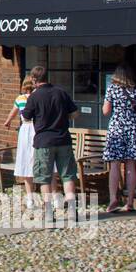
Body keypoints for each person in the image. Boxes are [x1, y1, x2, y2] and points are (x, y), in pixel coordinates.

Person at [20, 66, 81, 216]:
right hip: (63, 140)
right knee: (68, 176)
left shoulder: (34, 96)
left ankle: (48, 213)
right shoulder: (61, 92)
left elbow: (25, 117)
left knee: (44, 178)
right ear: (48, 77)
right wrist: (62, 117)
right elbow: (75, 114)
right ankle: (72, 211)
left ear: (34, 79)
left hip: (44, 142)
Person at [102, 64, 136, 212]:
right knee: (131, 165)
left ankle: (113, 199)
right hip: (133, 126)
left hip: (117, 127)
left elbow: (106, 111)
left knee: (114, 165)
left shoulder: (112, 89)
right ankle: (130, 201)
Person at [1, 76, 38, 208]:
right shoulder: (37, 97)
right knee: (38, 160)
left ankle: (30, 199)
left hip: (25, 129)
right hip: (38, 129)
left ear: (23, 86)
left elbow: (12, 113)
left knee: (25, 163)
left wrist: (7, 122)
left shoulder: (20, 99)